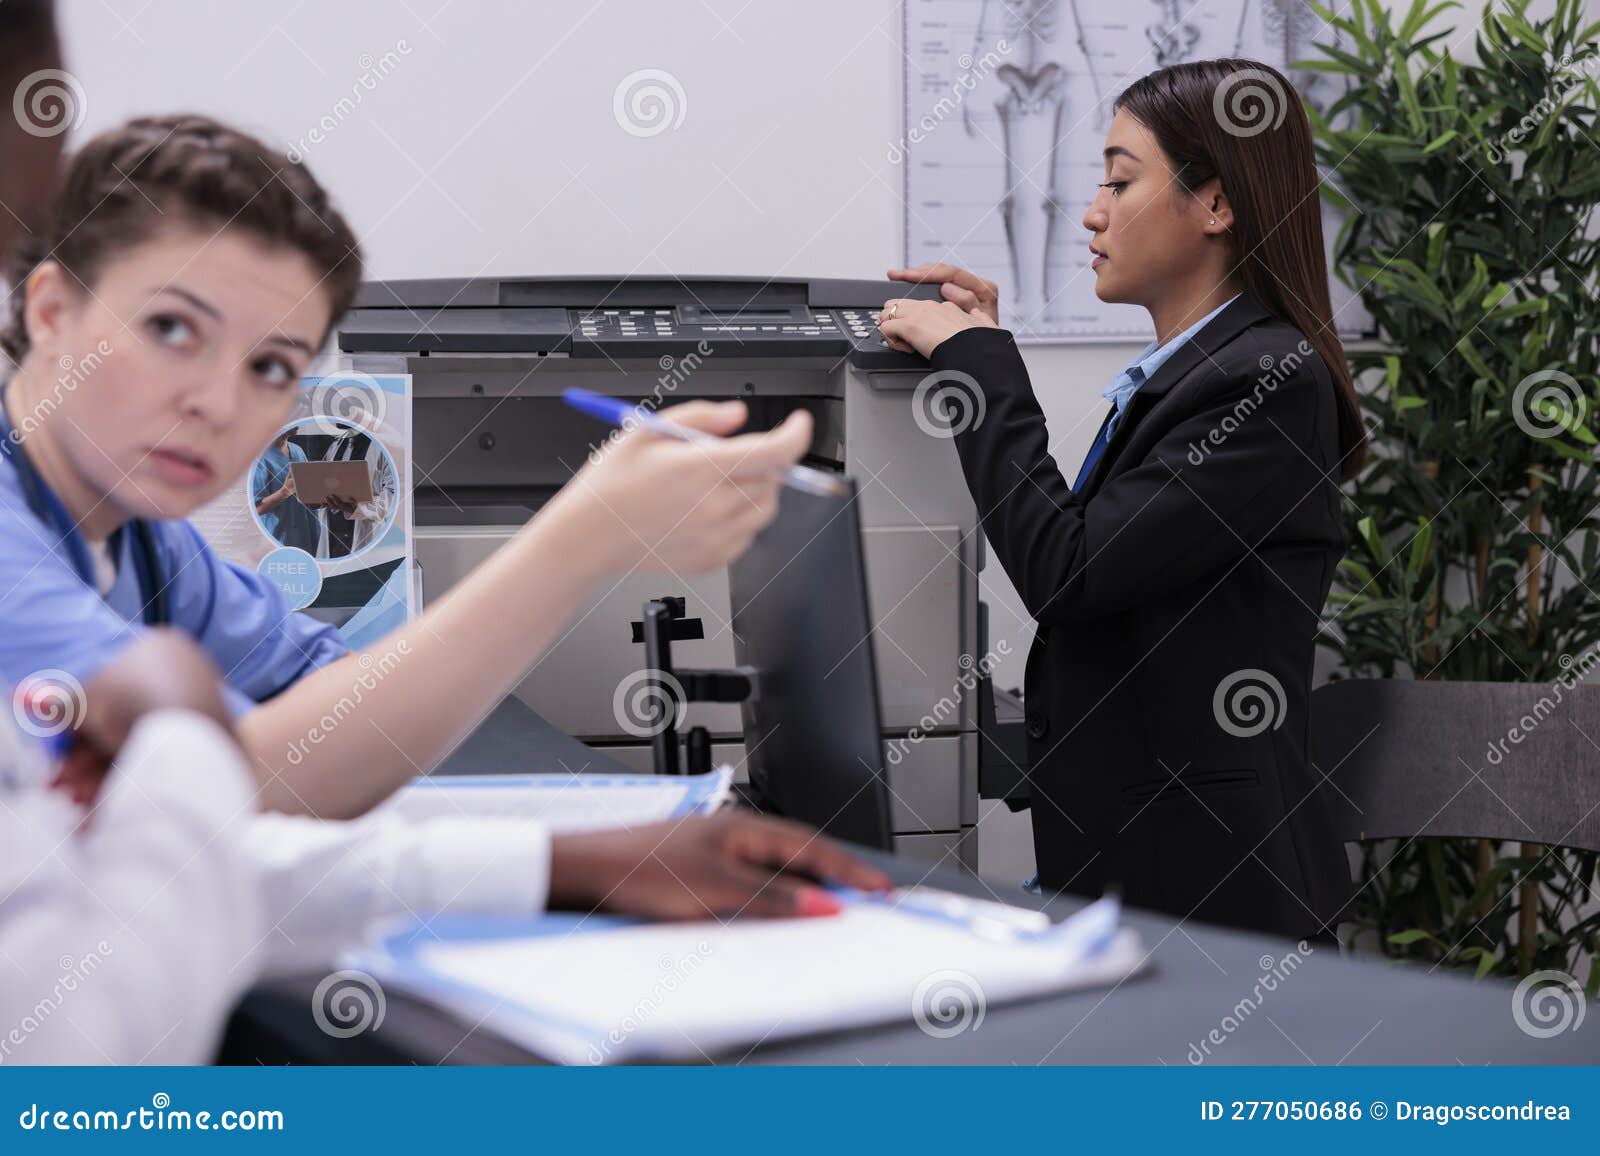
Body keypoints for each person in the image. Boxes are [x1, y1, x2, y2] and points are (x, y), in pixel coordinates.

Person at [0, 114, 818, 826]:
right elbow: (198, 801)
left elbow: (336, 696)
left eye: (272, 367)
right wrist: (581, 541)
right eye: (173, 328)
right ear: (50, 311)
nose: (218, 401)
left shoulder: (141, 541)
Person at [876, 59, 1364, 940]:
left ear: (1216, 205)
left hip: (1219, 897)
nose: (1092, 212)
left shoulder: (1269, 383)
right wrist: (983, 346)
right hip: (1143, 872)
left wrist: (983, 371)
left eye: (1119, 181)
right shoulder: (1194, 378)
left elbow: (1069, 570)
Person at [251, 429, 318, 552]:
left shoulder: (298, 450)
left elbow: (306, 494)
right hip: (275, 539)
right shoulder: (257, 456)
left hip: (304, 537)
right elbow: (254, 509)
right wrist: (284, 492)